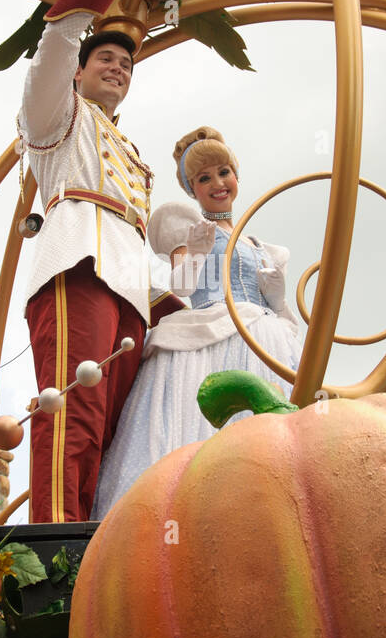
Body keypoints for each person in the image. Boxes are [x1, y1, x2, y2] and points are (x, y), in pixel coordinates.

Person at [17, 0, 180, 524]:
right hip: (78, 264)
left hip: (130, 292)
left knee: (114, 435)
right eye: (105, 59)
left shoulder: (135, 156)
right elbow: (56, 44)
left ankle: (96, 550)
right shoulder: (57, 116)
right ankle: (55, 548)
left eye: (126, 65)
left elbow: (133, 239)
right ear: (80, 74)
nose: (118, 68)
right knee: (71, 417)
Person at [91, 126, 303, 520]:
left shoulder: (262, 246)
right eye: (203, 178)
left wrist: (276, 294)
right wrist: (199, 251)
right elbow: (183, 286)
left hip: (265, 336)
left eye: (223, 172)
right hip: (208, 335)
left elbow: (288, 319)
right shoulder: (188, 227)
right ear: (192, 190)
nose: (217, 183)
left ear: (236, 176)